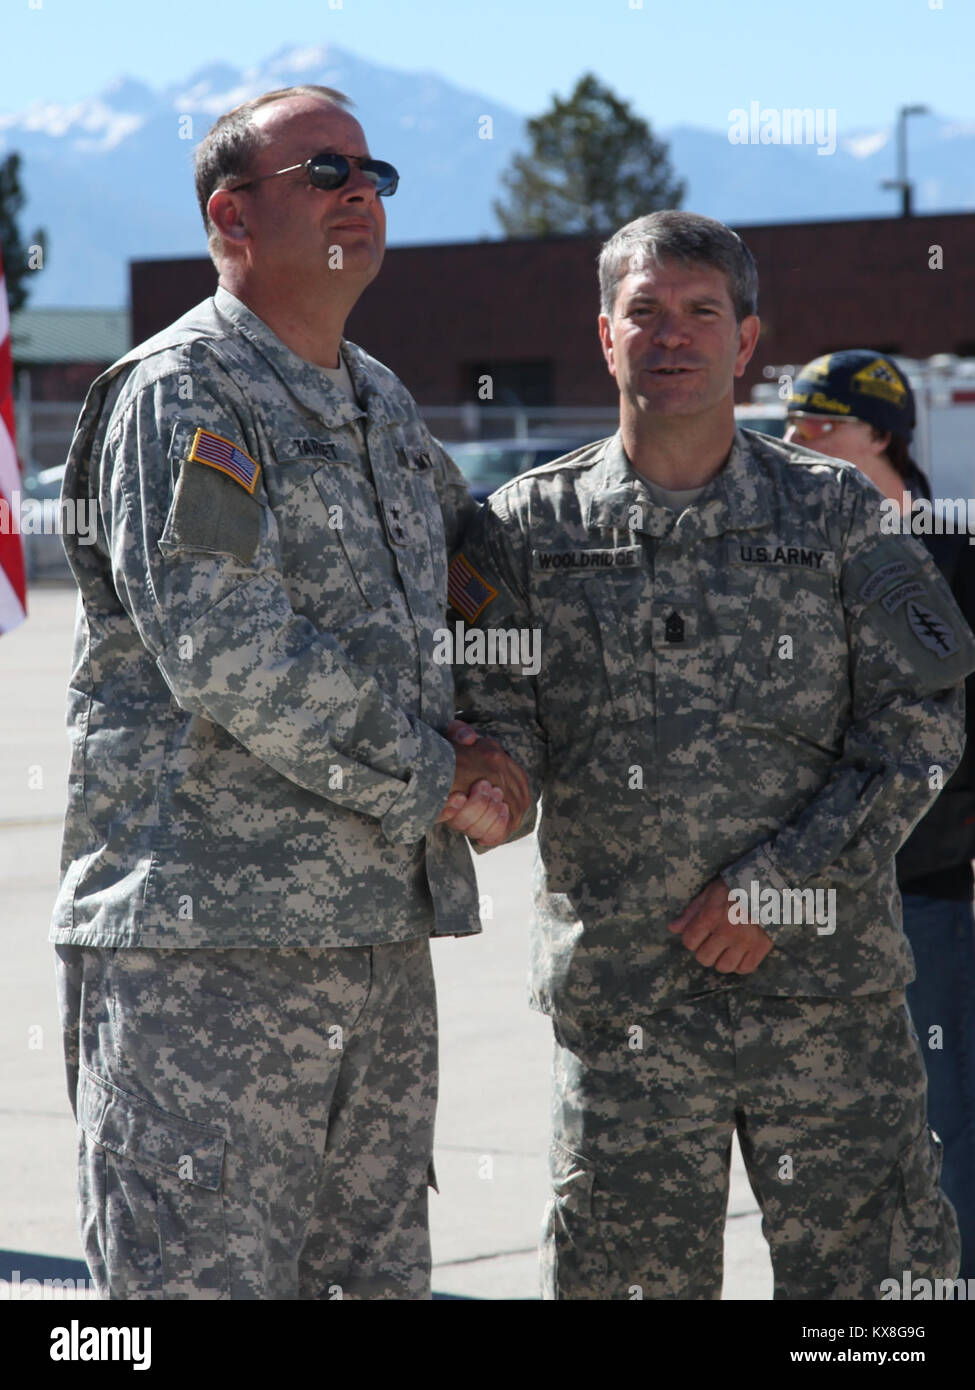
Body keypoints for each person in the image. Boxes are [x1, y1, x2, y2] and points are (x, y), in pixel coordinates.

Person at [51, 83, 529, 1301]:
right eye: (325, 172)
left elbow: (484, 578)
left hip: (376, 944)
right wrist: (443, 773)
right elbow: (228, 644)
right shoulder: (186, 391)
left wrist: (508, 740)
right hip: (205, 953)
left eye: (372, 173)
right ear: (232, 217)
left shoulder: (379, 403)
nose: (359, 192)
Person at [447, 210, 975, 1300]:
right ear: (605, 335)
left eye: (701, 311)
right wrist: (494, 782)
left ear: (746, 342)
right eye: (645, 311)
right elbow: (502, 721)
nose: (672, 335)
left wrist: (778, 885)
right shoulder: (525, 529)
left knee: (870, 1302)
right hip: (628, 1010)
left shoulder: (836, 514)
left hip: (825, 998)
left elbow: (921, 723)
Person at [785, 350, 975, 1280]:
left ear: (880, 435)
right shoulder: (794, 552)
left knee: (945, 1112)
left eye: (818, 423)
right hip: (805, 886)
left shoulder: (954, 551)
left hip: (925, 882)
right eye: (789, 422)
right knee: (825, 1116)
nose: (795, 439)